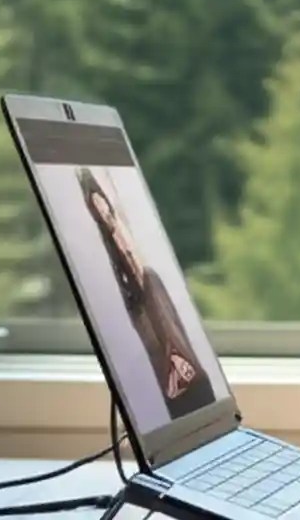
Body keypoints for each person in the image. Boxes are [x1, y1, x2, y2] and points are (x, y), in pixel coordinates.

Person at [78, 167, 215, 419]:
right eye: (104, 218)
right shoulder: (132, 298)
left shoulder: (152, 282)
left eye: (110, 215)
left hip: (193, 395)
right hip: (179, 397)